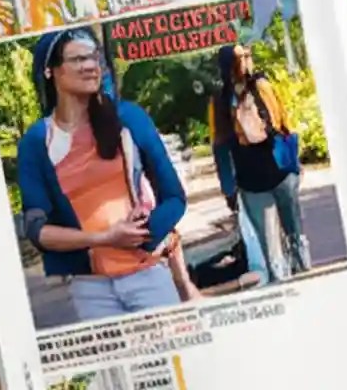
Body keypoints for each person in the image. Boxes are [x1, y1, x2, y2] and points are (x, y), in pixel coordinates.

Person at [17, 28, 189, 322]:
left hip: (147, 276)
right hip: (90, 289)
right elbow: (37, 230)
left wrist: (144, 233)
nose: (90, 65)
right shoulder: (36, 142)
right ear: (50, 71)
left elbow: (175, 197)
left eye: (94, 57)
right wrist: (105, 237)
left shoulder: (128, 118)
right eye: (77, 59)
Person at [209, 44, 311, 282]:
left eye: (247, 56)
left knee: (291, 237)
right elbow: (221, 148)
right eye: (242, 57)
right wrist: (229, 188)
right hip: (257, 180)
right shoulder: (222, 101)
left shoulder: (258, 87)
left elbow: (283, 123)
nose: (247, 60)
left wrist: (229, 189)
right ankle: (288, 286)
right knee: (275, 247)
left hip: (275, 175)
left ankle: (302, 277)